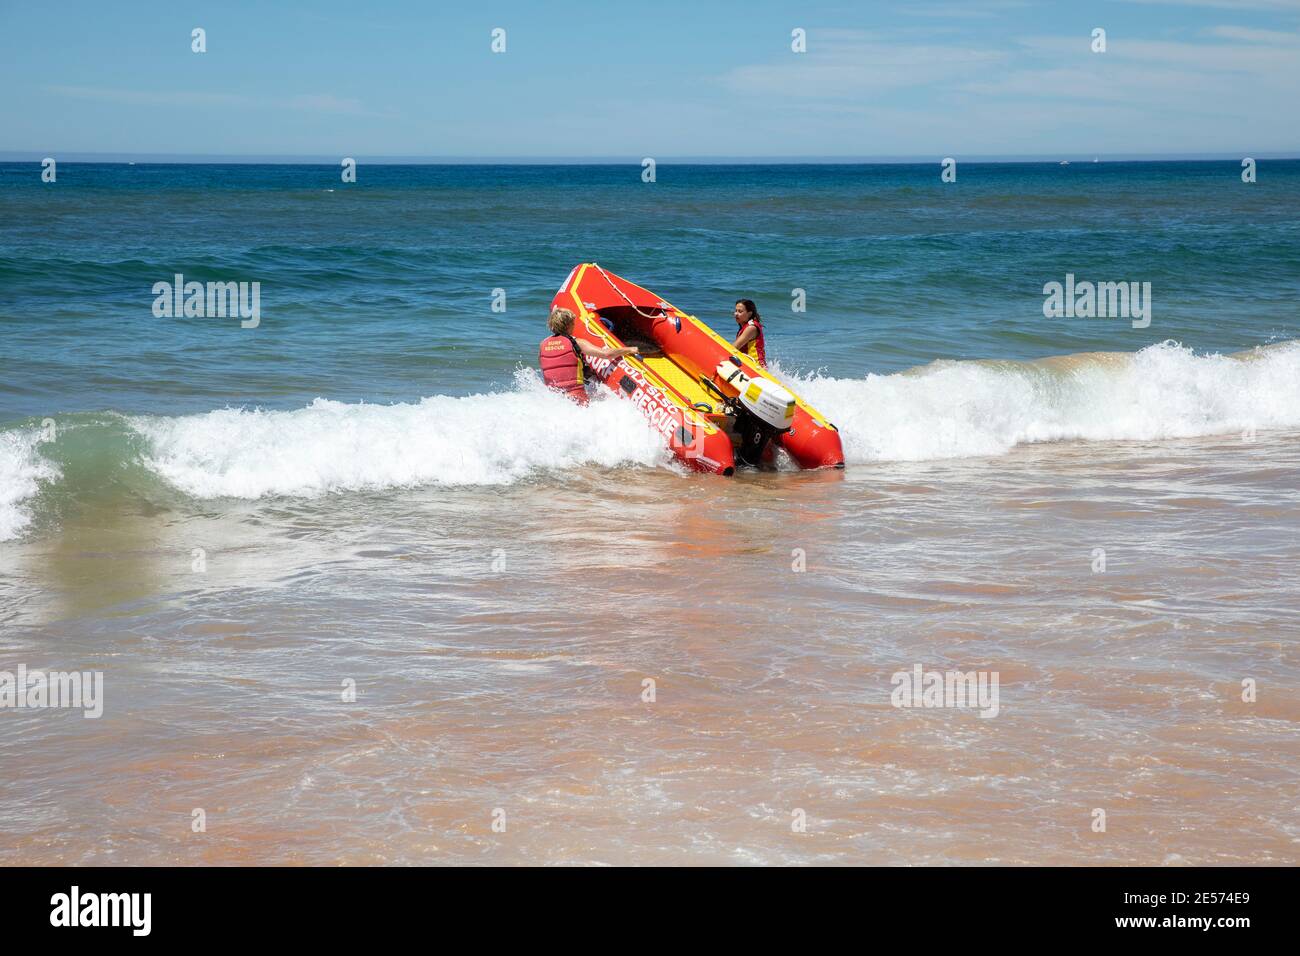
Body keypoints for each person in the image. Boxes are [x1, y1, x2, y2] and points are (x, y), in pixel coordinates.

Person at [539, 307, 639, 404]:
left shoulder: (543, 344)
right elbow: (606, 354)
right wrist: (629, 349)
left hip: (553, 398)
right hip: (576, 396)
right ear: (568, 325)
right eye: (573, 323)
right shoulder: (576, 342)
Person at [732, 299, 767, 369]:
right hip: (749, 365)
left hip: (756, 367)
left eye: (740, 311)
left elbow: (733, 348)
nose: (736, 314)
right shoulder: (744, 327)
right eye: (736, 311)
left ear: (749, 313)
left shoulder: (751, 328)